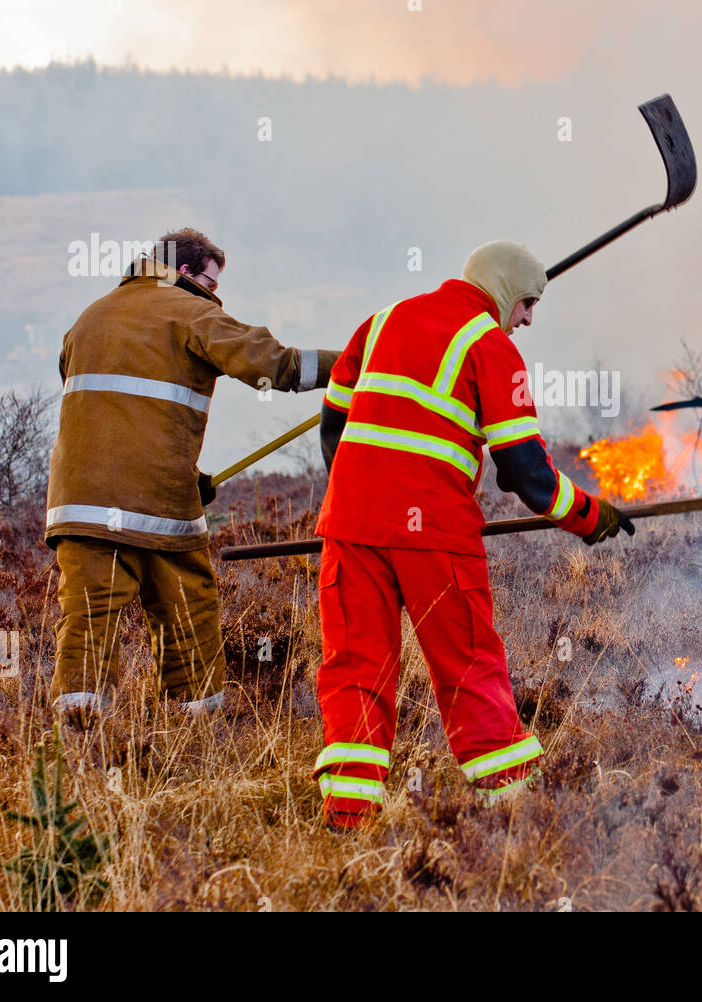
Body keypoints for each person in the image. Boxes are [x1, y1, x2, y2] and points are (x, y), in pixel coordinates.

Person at [314, 239, 633, 829]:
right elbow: (525, 473)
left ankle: (348, 817)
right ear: (506, 291)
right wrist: (592, 517)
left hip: (349, 527)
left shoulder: (380, 322)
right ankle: (513, 807)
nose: (530, 318)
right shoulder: (490, 347)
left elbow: (334, 426)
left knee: (356, 667)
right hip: (433, 531)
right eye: (529, 302)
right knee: (467, 663)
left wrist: (362, 502)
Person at [45, 229, 338, 716]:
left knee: (86, 623)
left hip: (79, 507)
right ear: (184, 273)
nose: (215, 293)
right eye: (211, 281)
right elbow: (275, 366)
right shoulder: (192, 311)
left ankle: (75, 748)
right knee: (189, 618)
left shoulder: (87, 319)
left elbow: (119, 416)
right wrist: (359, 364)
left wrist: (186, 469)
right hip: (157, 508)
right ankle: (194, 738)